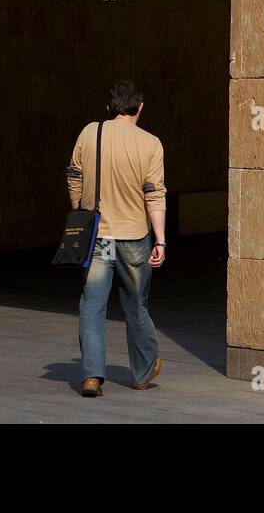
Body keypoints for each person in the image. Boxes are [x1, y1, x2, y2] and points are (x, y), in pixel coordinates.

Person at [66, 79, 167, 397]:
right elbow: (155, 195)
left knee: (92, 305)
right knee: (136, 307)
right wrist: (161, 241)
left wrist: (80, 212)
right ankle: (143, 371)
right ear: (140, 107)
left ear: (109, 108)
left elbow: (74, 176)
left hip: (99, 238)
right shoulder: (151, 143)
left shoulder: (89, 132)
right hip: (135, 238)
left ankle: (92, 376)